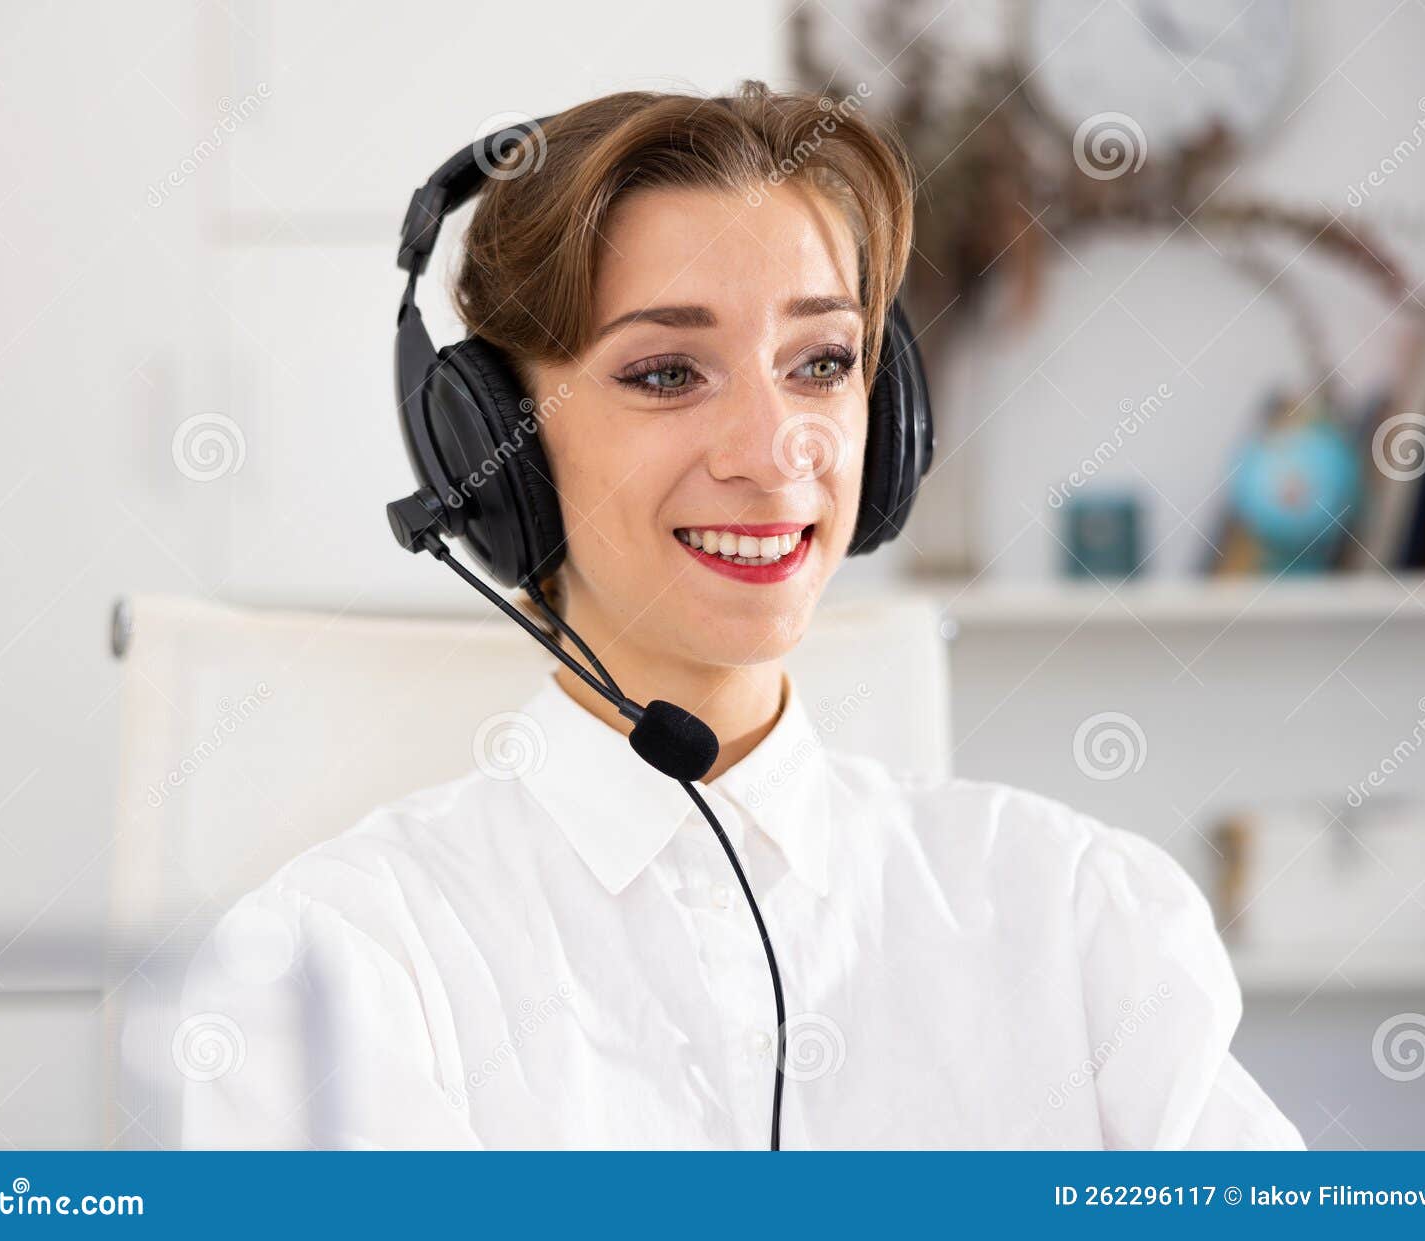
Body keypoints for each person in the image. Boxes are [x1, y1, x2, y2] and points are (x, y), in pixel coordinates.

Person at [178, 83, 1305, 1151]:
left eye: (820, 361)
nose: (774, 454)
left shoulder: (1077, 917)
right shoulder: (347, 965)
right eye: (668, 372)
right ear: (491, 452)